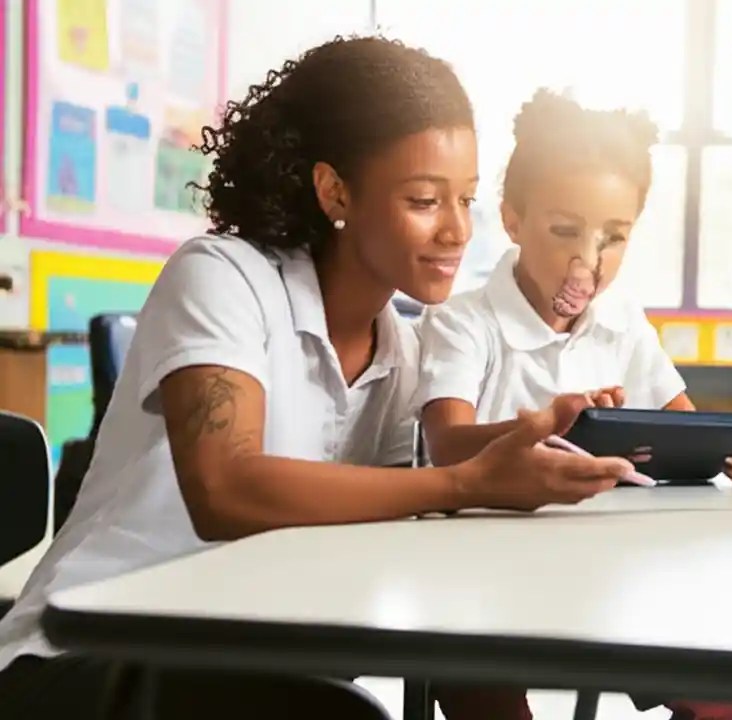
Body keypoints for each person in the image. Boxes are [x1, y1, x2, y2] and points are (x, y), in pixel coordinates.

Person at [0, 38, 631, 720]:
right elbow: (225, 488)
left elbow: (393, 533)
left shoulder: (403, 351)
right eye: (424, 199)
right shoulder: (224, 276)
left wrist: (519, 455)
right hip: (81, 667)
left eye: (467, 202)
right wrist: (467, 482)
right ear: (335, 190)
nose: (456, 232)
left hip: (253, 664)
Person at [417, 89, 732, 720]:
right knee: (472, 678)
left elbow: (685, 429)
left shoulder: (622, 321)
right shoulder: (460, 324)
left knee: (729, 681)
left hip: (609, 568)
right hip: (486, 581)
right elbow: (446, 444)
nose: (590, 260)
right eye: (565, 232)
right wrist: (546, 426)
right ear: (512, 221)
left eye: (614, 237)